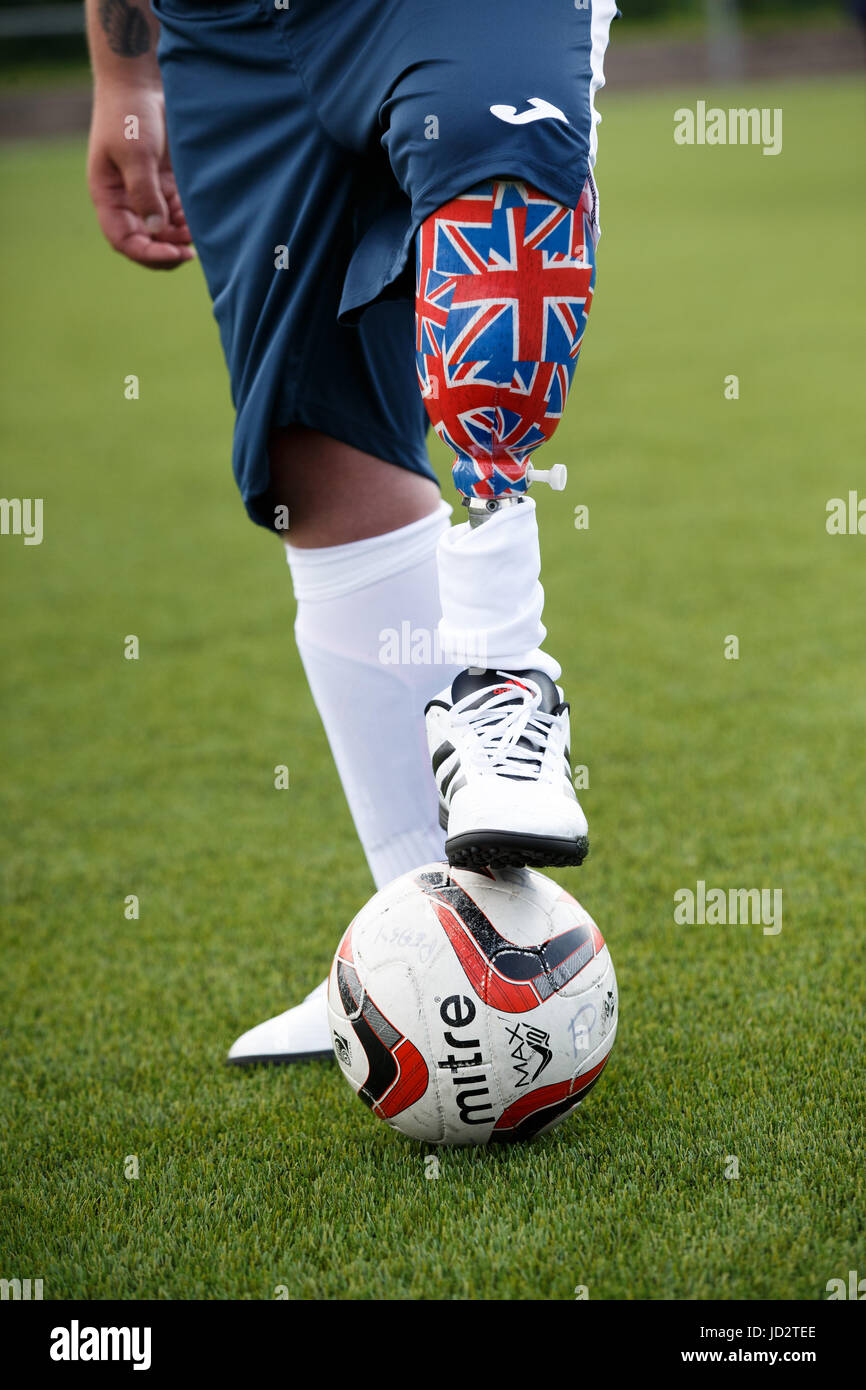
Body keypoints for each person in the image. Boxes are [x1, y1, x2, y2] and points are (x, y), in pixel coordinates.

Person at [85, 0, 618, 1066]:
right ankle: (433, 940)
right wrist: (124, 72)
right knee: (311, 441)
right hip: (226, 29)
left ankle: (503, 681)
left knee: (498, 244)